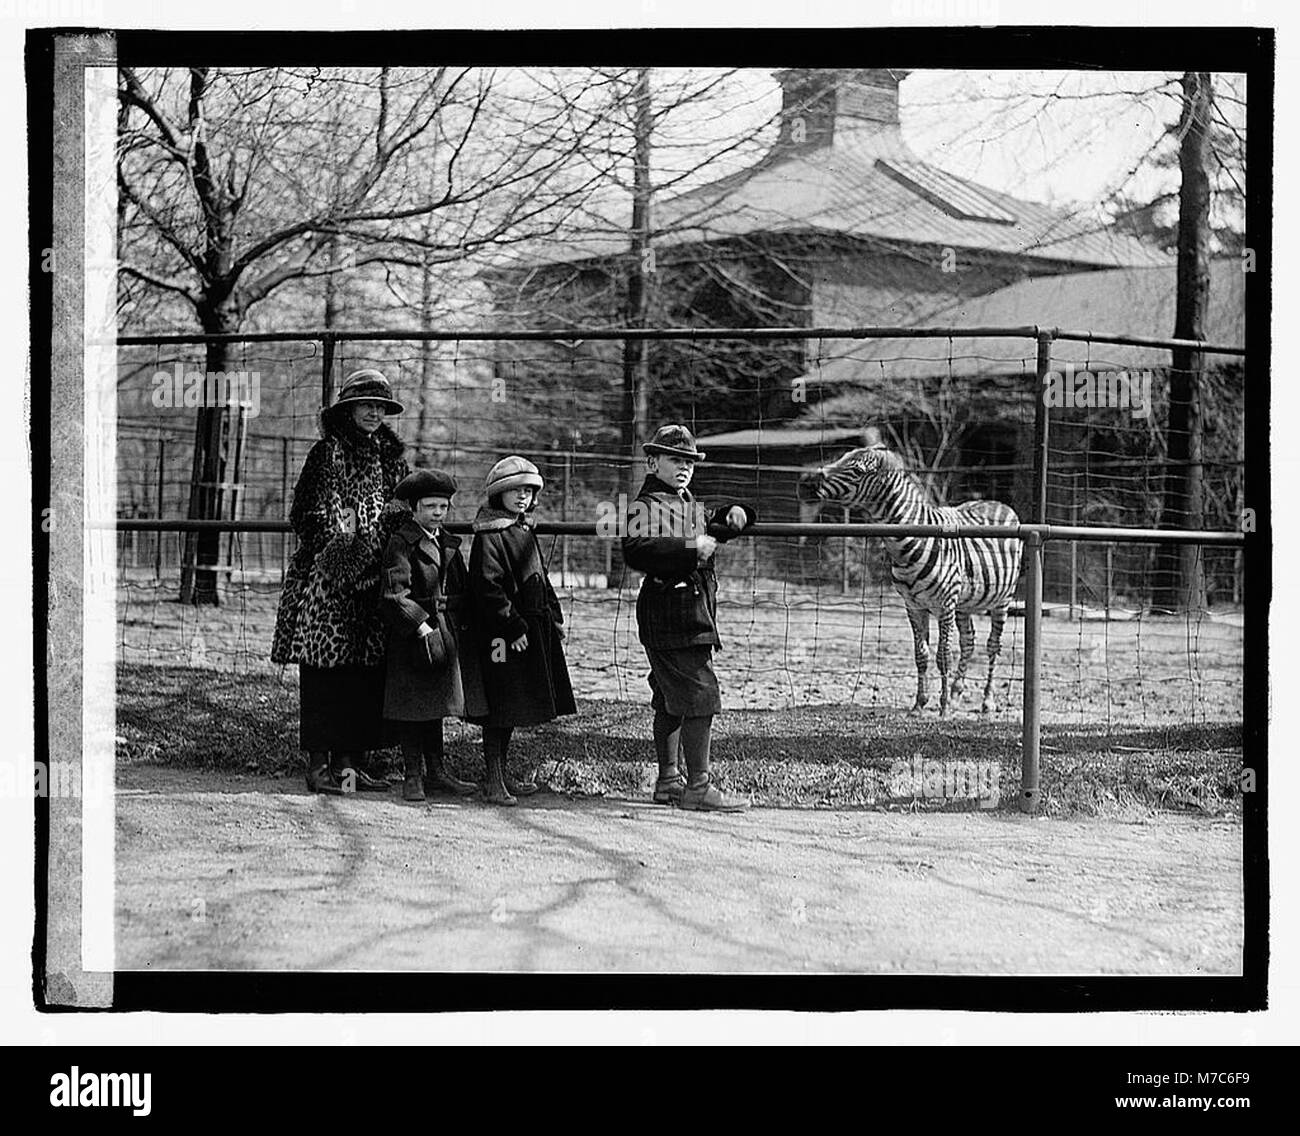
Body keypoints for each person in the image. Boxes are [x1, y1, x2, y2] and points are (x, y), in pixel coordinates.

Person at [271, 369, 409, 794]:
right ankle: (318, 767)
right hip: (328, 583)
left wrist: (382, 561)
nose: (373, 413)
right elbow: (307, 515)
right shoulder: (326, 453)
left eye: (380, 407)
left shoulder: (390, 459)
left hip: (374, 580)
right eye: (365, 405)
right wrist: (341, 560)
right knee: (323, 673)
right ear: (348, 409)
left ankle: (349, 768)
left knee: (364, 673)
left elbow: (401, 512)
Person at [622, 424, 756, 812]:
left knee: (670, 697)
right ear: (652, 463)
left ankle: (668, 782)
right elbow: (635, 549)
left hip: (688, 613)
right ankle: (698, 786)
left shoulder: (685, 501)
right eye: (675, 460)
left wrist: (736, 513)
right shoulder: (645, 505)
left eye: (690, 462)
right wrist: (689, 548)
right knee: (701, 694)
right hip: (671, 613)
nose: (684, 468)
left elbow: (713, 521)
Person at [462, 456, 576, 806]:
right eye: (515, 490)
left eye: (528, 490)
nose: (523, 496)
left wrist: (553, 614)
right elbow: (487, 587)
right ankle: (493, 780)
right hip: (502, 635)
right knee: (499, 704)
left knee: (513, 704)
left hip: (530, 628)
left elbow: (539, 577)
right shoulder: (491, 535)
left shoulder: (523, 529)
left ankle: (502, 775)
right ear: (499, 494)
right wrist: (512, 626)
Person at [378, 469, 479, 802]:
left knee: (436, 704)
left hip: (444, 633)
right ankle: (412, 775)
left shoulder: (448, 543)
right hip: (413, 635)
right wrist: (420, 625)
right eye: (430, 506)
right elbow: (394, 594)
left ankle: (437, 773)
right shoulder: (402, 542)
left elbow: (461, 586)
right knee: (413, 706)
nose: (438, 513)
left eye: (443, 506)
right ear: (414, 507)